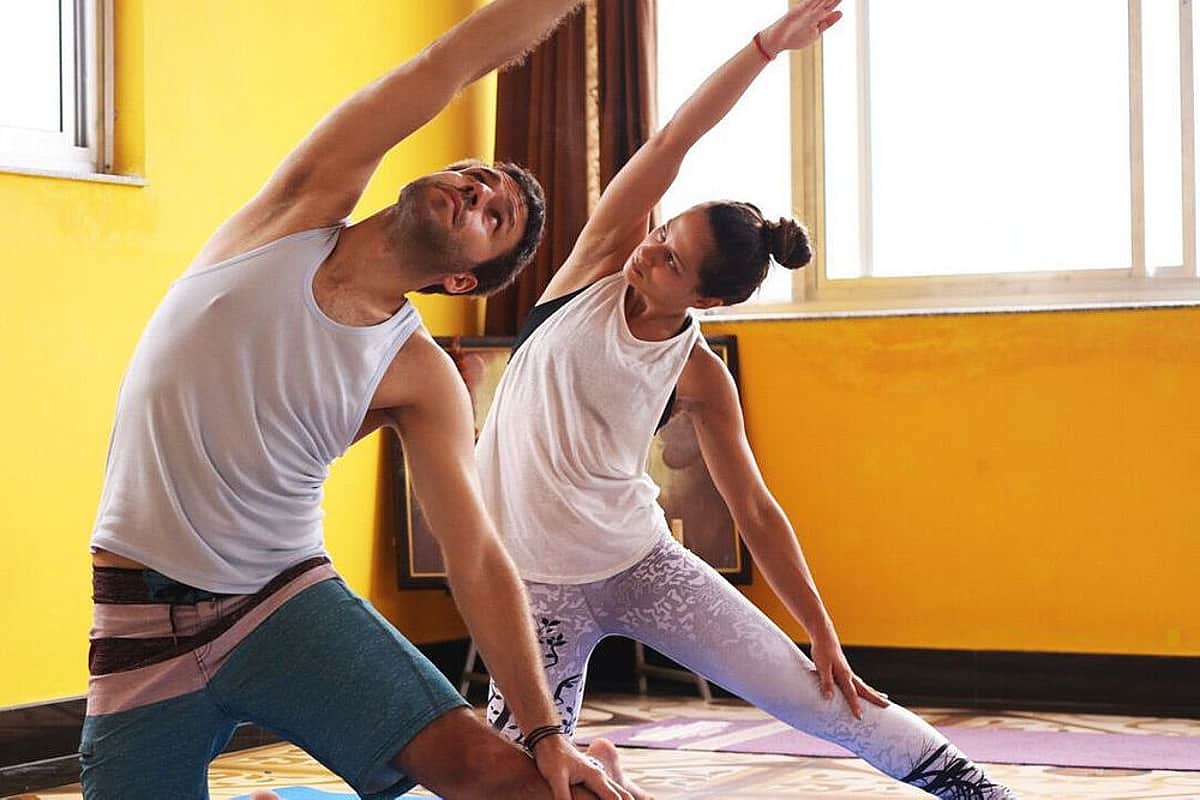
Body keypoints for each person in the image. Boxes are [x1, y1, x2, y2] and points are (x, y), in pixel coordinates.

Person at [81, 2, 635, 799]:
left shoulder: (418, 374)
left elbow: (475, 554)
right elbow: (449, 62)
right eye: (476, 176)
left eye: (495, 215)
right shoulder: (293, 212)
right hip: (135, 630)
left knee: (531, 786)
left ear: (462, 281)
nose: (477, 190)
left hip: (283, 602)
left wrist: (546, 733)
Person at [477, 2, 1019, 798]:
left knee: (824, 698)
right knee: (510, 781)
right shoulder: (594, 267)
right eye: (663, 233)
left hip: (639, 566)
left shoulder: (697, 374)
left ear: (708, 300)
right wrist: (766, 47)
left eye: (672, 260)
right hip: (532, 589)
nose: (651, 248)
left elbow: (756, 512)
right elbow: (673, 141)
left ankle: (983, 792)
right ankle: (598, 763)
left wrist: (821, 632)